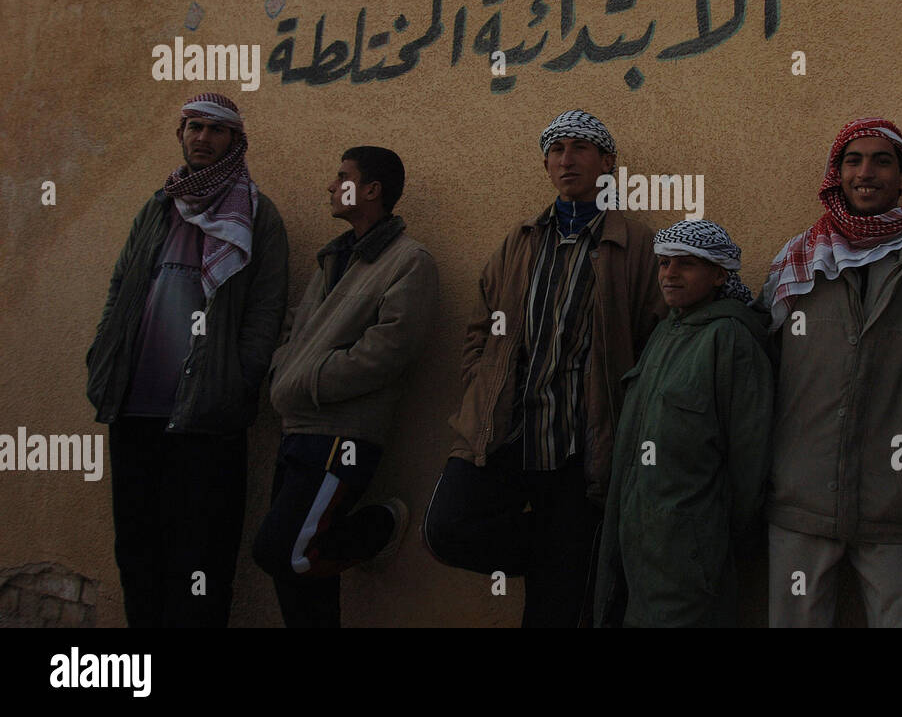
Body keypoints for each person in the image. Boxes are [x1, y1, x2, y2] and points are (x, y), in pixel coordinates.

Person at [423, 110, 663, 627]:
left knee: (554, 609)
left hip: (581, 448)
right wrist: (480, 386)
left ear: (607, 162)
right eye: (556, 150)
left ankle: (562, 564)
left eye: (580, 148)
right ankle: (556, 559)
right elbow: (481, 326)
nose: (566, 159)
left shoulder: (636, 245)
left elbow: (653, 339)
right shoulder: (523, 239)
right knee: (447, 530)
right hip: (506, 435)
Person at [86, 92, 288, 627]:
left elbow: (266, 311)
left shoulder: (257, 215)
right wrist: (103, 353)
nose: (202, 138)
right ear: (181, 135)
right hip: (136, 410)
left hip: (206, 416)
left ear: (235, 142)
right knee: (137, 549)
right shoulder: (157, 208)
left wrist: (237, 382)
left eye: (216, 130)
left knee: (200, 555)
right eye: (194, 127)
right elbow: (119, 287)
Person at [763, 117, 902, 628]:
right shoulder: (797, 266)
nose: (866, 172)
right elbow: (760, 377)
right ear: (837, 174)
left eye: (882, 160)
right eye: (853, 160)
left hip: (898, 509)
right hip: (799, 504)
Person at [253, 146, 437, 628]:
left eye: (342, 177)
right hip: (296, 428)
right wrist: (284, 370)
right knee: (298, 580)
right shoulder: (332, 258)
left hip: (342, 435)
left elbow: (392, 348)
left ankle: (380, 526)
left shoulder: (409, 260)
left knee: (283, 551)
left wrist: (309, 379)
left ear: (371, 190)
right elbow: (296, 330)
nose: (331, 186)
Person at [594, 220, 773, 627]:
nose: (669, 275)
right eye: (663, 264)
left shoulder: (731, 339)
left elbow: (749, 462)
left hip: (690, 551)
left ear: (718, 275)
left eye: (686, 264)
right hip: (640, 541)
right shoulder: (666, 331)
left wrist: (713, 540)